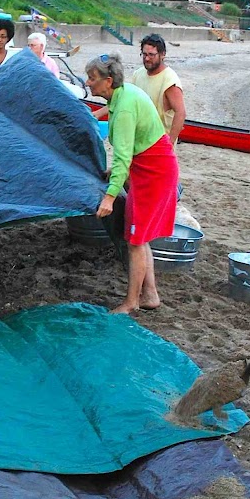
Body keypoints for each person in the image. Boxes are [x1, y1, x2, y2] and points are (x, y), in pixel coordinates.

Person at [86, 53, 179, 316]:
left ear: (108, 80)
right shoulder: (120, 96)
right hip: (146, 167)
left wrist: (110, 197)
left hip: (154, 172)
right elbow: (129, 153)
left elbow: (123, 156)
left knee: (135, 240)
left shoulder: (124, 107)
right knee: (140, 236)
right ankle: (150, 294)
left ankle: (131, 302)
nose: (88, 82)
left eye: (92, 78)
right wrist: (114, 173)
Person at [130, 34, 186, 145]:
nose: (147, 58)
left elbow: (181, 113)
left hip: (159, 144)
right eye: (144, 54)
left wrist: (169, 143)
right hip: (139, 142)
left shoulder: (169, 81)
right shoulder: (138, 74)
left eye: (151, 55)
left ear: (162, 54)